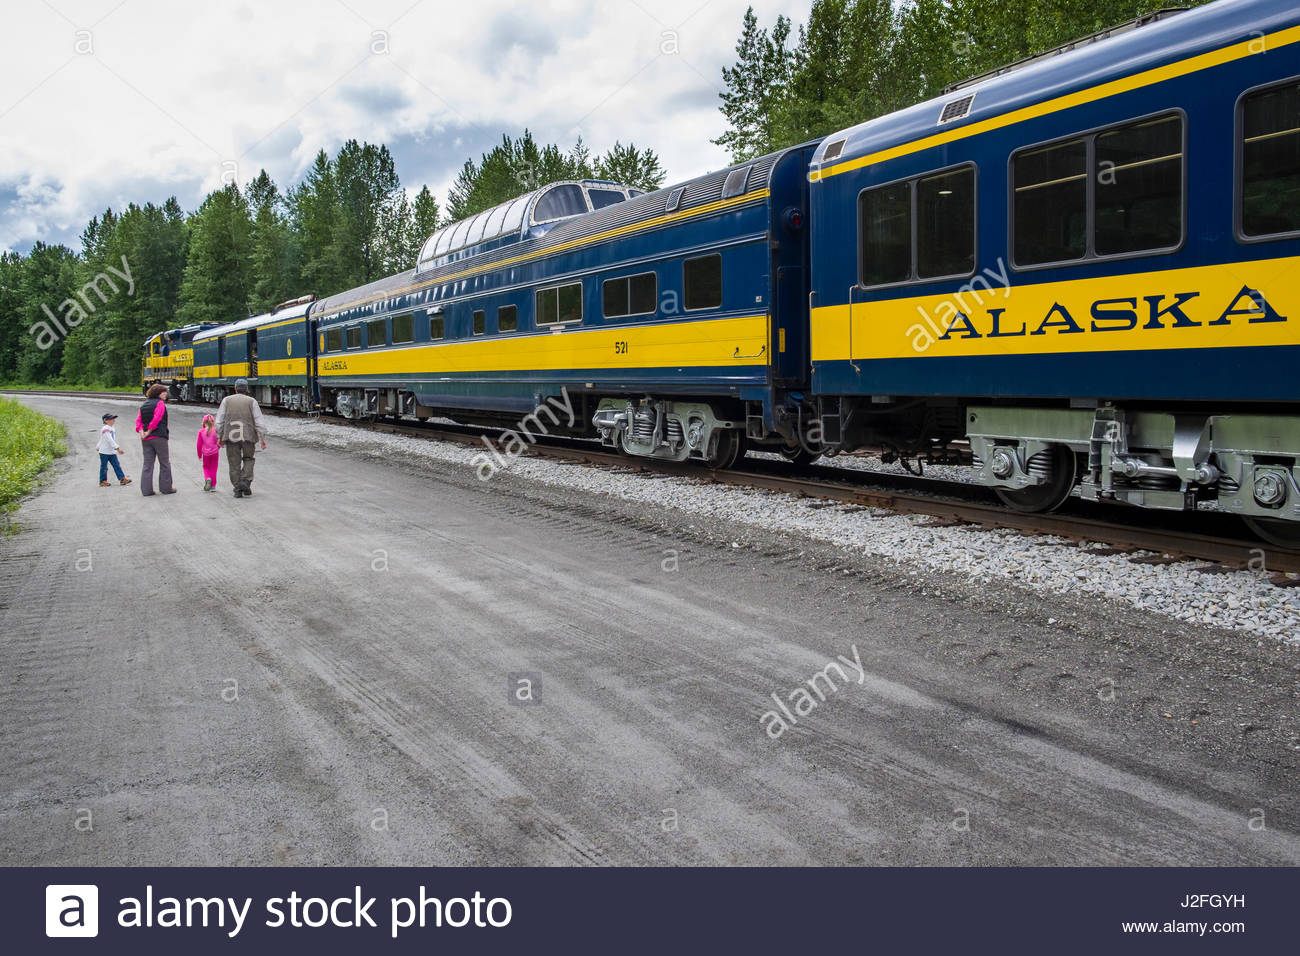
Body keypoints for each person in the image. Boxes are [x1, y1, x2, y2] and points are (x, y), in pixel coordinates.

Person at [215, 378, 267, 498]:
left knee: (234, 463)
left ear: (235, 388)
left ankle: (238, 489)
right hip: (248, 436)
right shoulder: (252, 401)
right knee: (249, 459)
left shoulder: (226, 400)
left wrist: (219, 436)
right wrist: (262, 437)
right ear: (247, 389)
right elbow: (259, 421)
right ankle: (245, 481)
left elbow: (219, 421)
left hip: (231, 436)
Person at [135, 384, 176, 496]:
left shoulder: (143, 405)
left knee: (147, 464)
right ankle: (166, 488)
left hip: (145, 439)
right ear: (159, 393)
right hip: (159, 437)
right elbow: (156, 419)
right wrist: (149, 431)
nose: (166, 394)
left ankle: (146, 490)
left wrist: (142, 433)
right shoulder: (160, 403)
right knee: (164, 463)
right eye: (164, 392)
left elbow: (138, 421)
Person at [96, 413, 132, 487]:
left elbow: (103, 439)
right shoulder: (105, 429)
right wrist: (117, 448)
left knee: (117, 465)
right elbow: (109, 440)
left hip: (111, 451)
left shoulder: (112, 428)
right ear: (105, 421)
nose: (113, 420)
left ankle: (122, 479)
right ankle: (102, 481)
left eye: (113, 419)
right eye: (111, 419)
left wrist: (97, 446)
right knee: (104, 467)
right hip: (104, 452)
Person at [196, 414, 220, 492]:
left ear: (204, 423)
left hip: (206, 454)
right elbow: (218, 442)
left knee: (206, 467)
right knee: (214, 468)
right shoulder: (215, 431)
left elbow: (199, 445)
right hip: (215, 453)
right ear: (213, 422)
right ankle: (213, 486)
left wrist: (199, 455)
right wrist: (217, 448)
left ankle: (208, 478)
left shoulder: (201, 431)